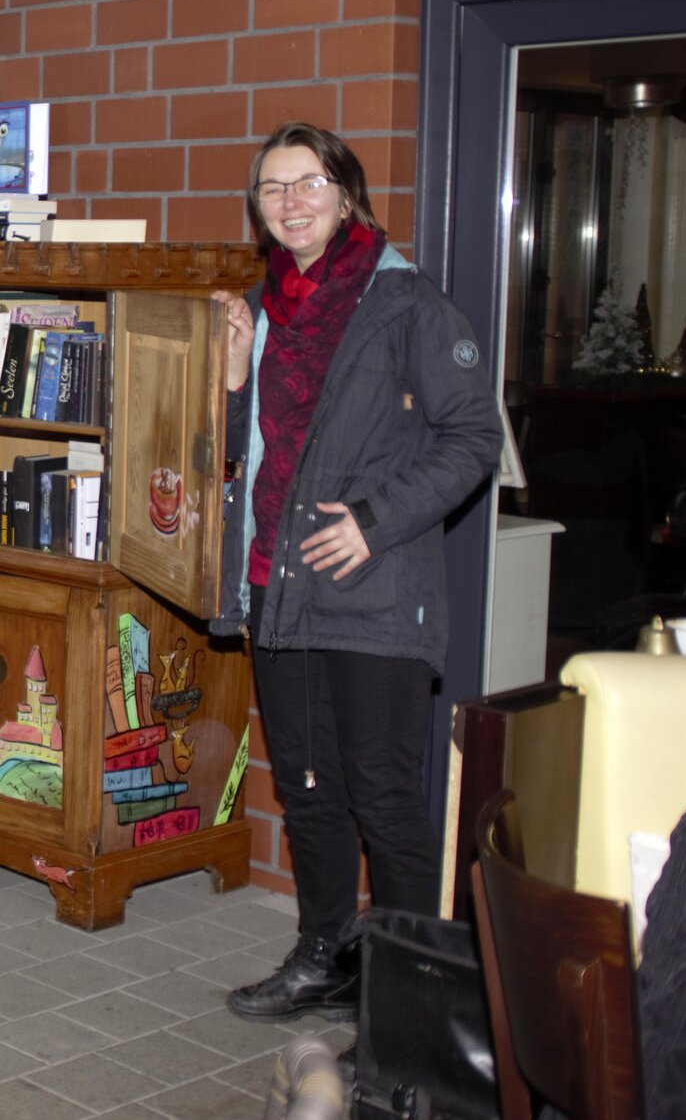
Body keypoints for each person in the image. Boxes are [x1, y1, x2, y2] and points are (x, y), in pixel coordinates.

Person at [211, 123, 502, 1021]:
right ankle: (325, 952)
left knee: (382, 792)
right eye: (272, 189)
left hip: (374, 594)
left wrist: (374, 523)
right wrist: (229, 377)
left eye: (308, 183)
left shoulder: (403, 300)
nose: (291, 202)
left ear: (346, 193)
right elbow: (247, 454)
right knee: (306, 789)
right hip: (281, 586)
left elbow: (474, 437)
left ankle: (411, 998)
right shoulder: (262, 309)